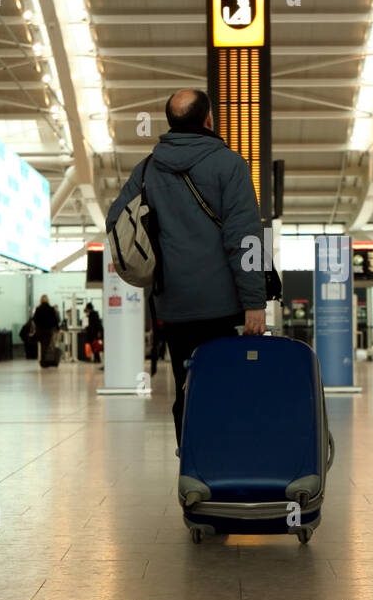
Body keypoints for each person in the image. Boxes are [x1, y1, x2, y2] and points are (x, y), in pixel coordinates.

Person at [105, 88, 266, 446]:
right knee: (225, 387)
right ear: (209, 120)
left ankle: (192, 472)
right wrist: (255, 300)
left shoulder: (147, 169)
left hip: (172, 306)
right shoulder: (230, 164)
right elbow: (246, 238)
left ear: (170, 123)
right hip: (221, 307)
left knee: (186, 386)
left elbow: (117, 221)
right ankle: (224, 471)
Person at [32, 295, 60, 363]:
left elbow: (34, 319)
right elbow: (55, 320)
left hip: (40, 330)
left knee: (42, 345)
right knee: (47, 344)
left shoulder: (38, 309)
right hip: (48, 330)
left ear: (41, 300)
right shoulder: (51, 309)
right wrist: (57, 328)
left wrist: (37, 326)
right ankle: (46, 359)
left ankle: (42, 359)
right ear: (48, 300)